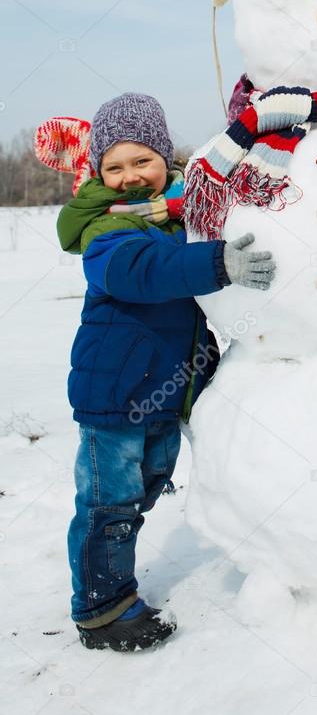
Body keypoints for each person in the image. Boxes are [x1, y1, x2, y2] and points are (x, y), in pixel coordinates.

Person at [57, 92, 276, 651]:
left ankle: (112, 577)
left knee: (143, 493)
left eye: (142, 161)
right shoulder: (104, 230)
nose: (130, 177)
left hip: (160, 394)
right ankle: (103, 609)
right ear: (98, 171)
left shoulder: (178, 214)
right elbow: (143, 273)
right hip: (115, 397)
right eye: (115, 166)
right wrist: (215, 263)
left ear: (165, 157)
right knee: (108, 506)